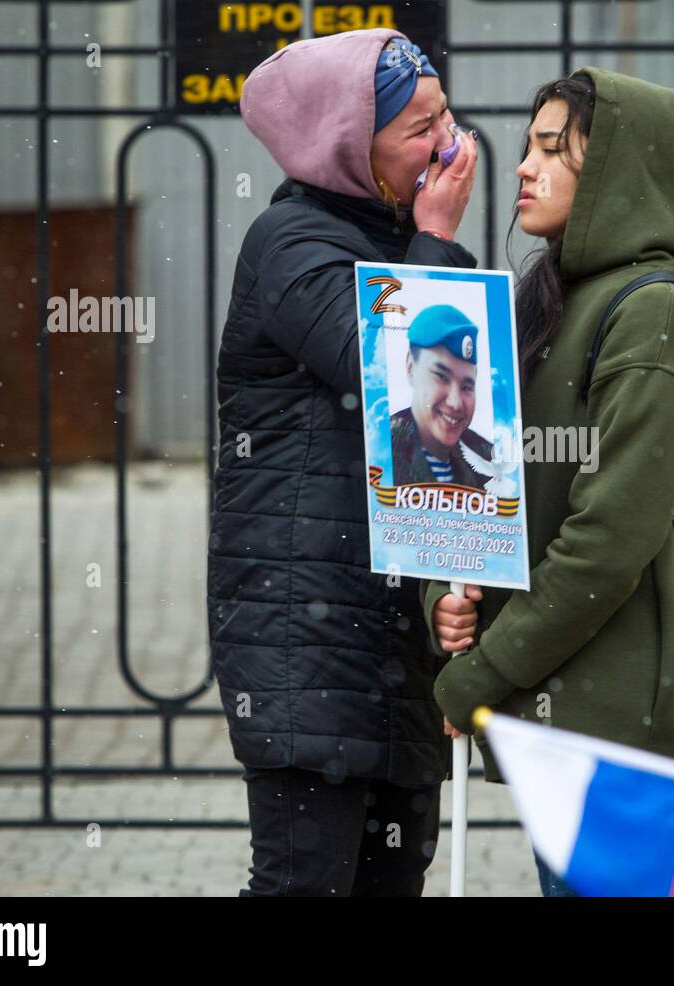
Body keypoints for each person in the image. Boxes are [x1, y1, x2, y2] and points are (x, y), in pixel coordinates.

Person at [421, 68, 674, 896]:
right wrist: (449, 597)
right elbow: (483, 485)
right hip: (561, 712)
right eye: (528, 147)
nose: (523, 167)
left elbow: (608, 540)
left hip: (621, 726)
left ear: (616, 175)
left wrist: (483, 674)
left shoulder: (653, 314)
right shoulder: (556, 299)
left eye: (551, 151)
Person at [209, 28, 479, 896]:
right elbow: (395, 377)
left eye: (445, 116)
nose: (446, 145)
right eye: (417, 130)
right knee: (303, 884)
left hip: (392, 639)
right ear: (347, 150)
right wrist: (436, 238)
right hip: (306, 638)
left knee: (392, 879)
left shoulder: (397, 237)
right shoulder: (291, 242)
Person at [389, 304, 495, 489]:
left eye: (467, 386)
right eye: (441, 377)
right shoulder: (380, 447)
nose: (455, 403)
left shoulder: (489, 459)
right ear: (410, 367)